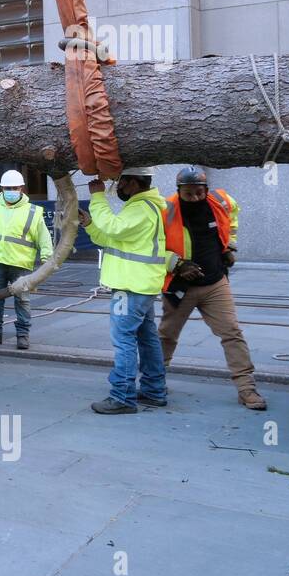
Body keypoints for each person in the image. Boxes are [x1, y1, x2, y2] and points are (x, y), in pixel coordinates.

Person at [157, 167, 266, 410]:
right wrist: (177, 264)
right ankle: (154, 383)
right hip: (180, 287)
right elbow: (150, 247)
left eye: (199, 192)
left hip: (215, 282)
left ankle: (246, 388)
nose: (195, 198)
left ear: (206, 189)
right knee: (166, 336)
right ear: (178, 191)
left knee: (232, 333)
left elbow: (233, 218)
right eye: (189, 194)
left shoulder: (220, 200)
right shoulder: (166, 210)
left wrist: (230, 247)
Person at [79, 167, 180, 414]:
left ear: (133, 182)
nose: (118, 189)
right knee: (147, 339)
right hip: (140, 285)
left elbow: (113, 229)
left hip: (130, 286)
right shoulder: (146, 206)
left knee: (123, 340)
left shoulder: (141, 208)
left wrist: (98, 197)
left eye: (120, 184)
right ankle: (154, 390)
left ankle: (122, 396)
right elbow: (113, 240)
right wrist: (91, 225)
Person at [0, 170, 54, 350]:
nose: (11, 191)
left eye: (14, 188)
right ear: (1, 188)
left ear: (22, 188)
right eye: (8, 188)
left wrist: (47, 257)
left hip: (20, 263)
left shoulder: (33, 211)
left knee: (22, 299)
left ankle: (23, 335)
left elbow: (43, 237)